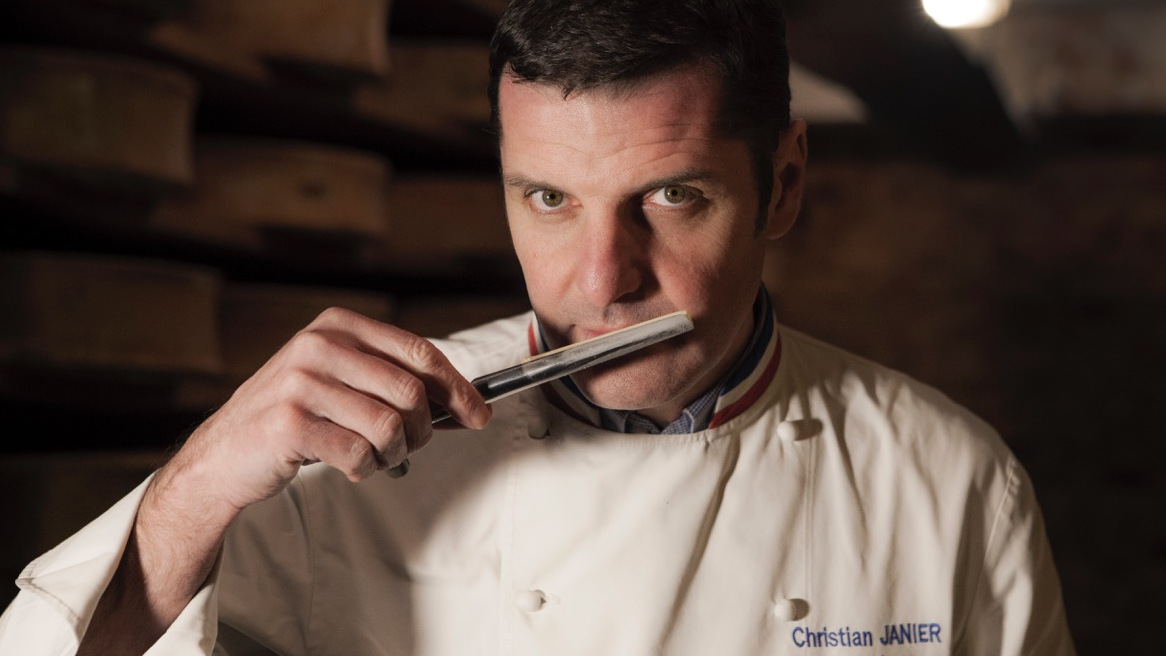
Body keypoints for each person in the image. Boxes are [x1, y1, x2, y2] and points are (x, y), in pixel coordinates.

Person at [0, 0, 1076, 654]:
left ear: (783, 183)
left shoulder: (950, 480)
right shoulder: (348, 454)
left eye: (670, 196)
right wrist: (199, 481)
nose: (601, 282)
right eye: (548, 200)